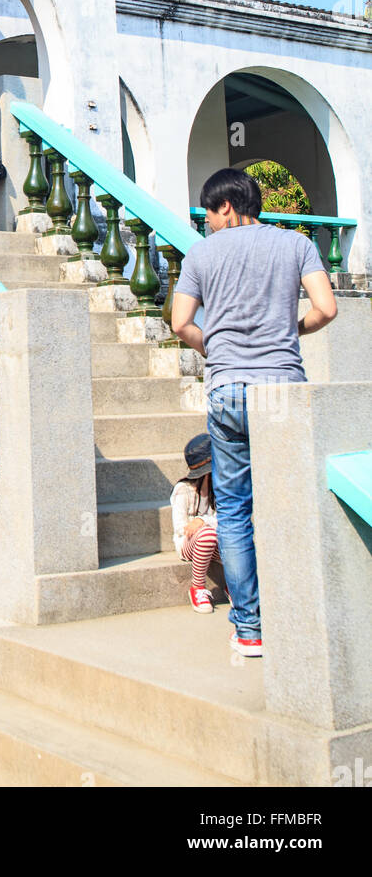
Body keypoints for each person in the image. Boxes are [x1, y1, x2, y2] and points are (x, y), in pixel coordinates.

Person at [171, 168, 337, 657]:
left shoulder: (201, 255)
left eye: (209, 213)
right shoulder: (295, 245)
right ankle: (302, 613)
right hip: (283, 386)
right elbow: (326, 309)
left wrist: (218, 349)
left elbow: (181, 322)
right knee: (292, 499)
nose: (207, 224)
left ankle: (249, 630)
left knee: (237, 511)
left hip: (228, 389)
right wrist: (287, 334)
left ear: (227, 205)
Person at [171, 434, 220, 613]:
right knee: (209, 534)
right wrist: (205, 526)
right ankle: (197, 587)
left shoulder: (221, 487)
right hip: (189, 543)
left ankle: (236, 586)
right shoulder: (182, 490)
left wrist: (202, 520)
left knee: (236, 536)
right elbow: (181, 528)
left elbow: (228, 519)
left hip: (217, 543)